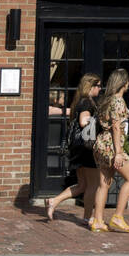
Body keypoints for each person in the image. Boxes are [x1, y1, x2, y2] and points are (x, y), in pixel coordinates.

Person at [45, 73, 101, 224]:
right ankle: (88, 217)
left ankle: (54, 201)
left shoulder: (79, 101)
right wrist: (100, 120)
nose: (100, 89)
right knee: (93, 185)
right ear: (91, 86)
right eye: (98, 86)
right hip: (86, 148)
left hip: (78, 148)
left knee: (83, 185)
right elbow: (84, 122)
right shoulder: (87, 103)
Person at [90, 68, 129, 233]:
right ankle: (117, 216)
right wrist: (118, 152)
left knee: (104, 184)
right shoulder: (118, 101)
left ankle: (97, 220)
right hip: (111, 146)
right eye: (128, 81)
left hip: (101, 144)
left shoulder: (106, 100)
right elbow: (116, 127)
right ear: (124, 83)